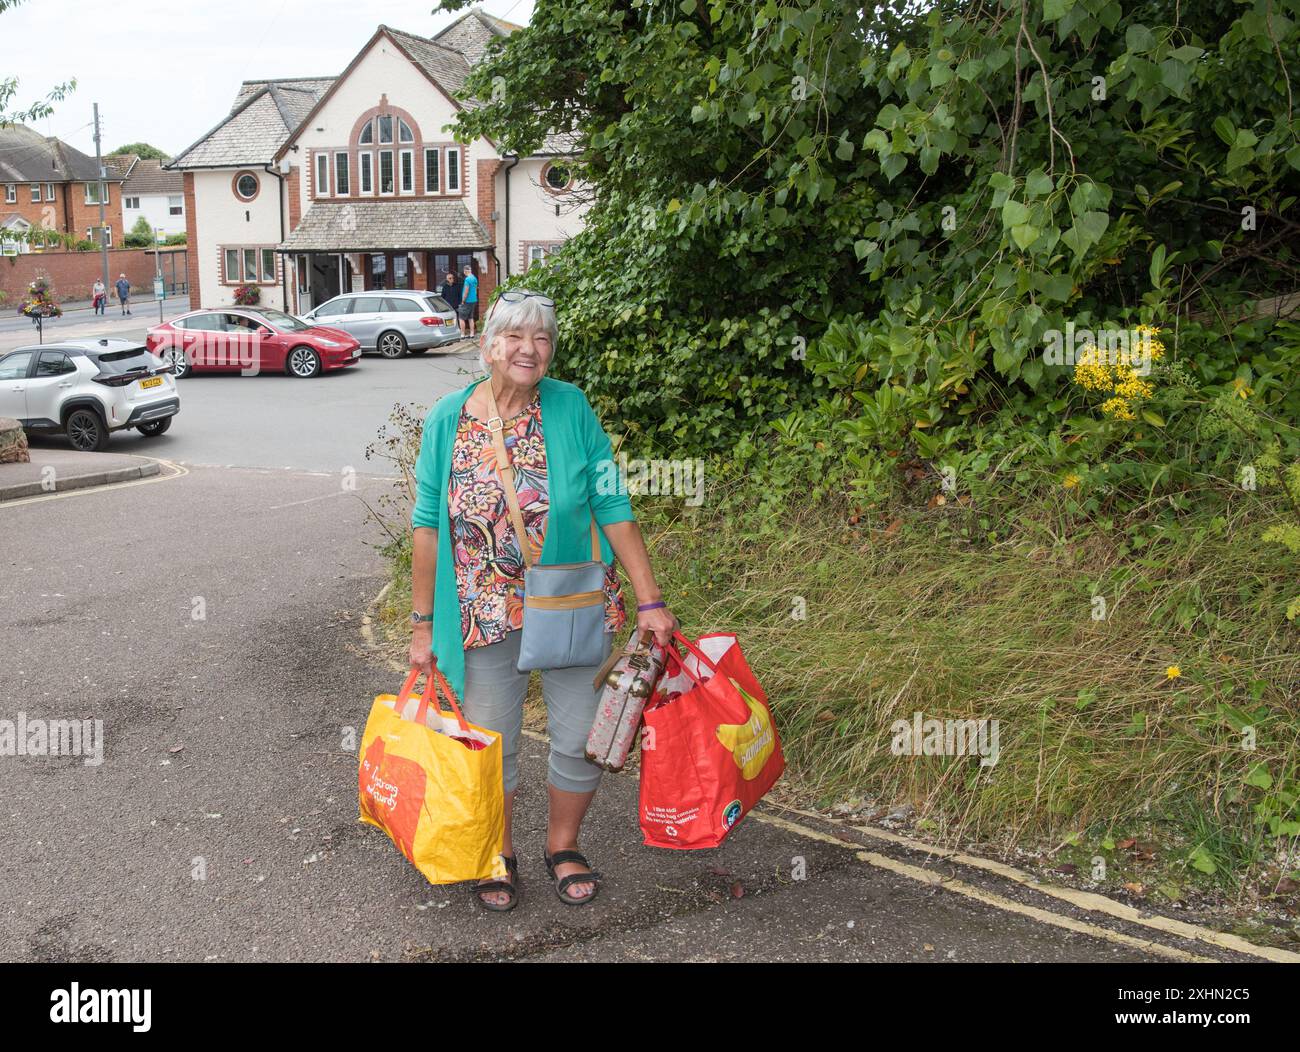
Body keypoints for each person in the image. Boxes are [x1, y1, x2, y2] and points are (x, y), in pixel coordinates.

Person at [409, 289, 677, 912]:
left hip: (570, 604)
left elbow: (611, 499)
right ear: (488, 345)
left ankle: (563, 844)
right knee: (489, 738)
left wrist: (649, 599)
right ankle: (497, 850)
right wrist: (423, 625)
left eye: (543, 338)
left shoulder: (570, 407)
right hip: (480, 613)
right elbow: (426, 524)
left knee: (584, 733)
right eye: (515, 336)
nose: (529, 349)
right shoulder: (448, 419)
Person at [457, 264, 478, 337]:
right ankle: (472, 334)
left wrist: (463, 300)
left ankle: (462, 334)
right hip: (474, 300)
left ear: (465, 271)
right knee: (470, 317)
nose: (464, 273)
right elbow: (475, 290)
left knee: (461, 317)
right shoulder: (474, 278)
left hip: (467, 301)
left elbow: (466, 291)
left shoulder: (467, 279)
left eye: (464, 272)